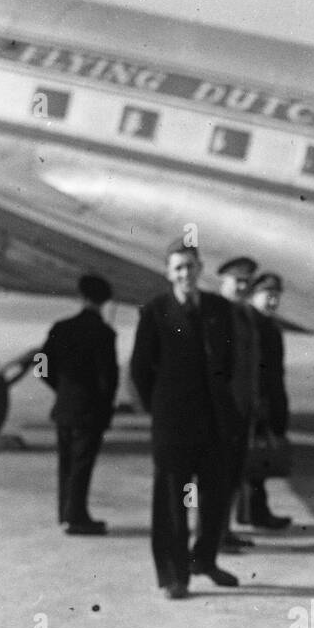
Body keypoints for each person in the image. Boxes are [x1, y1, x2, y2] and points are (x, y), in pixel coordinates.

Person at [129, 241, 242, 599]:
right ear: (168, 272)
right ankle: (173, 576)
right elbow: (139, 368)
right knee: (171, 503)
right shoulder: (156, 311)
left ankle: (204, 560)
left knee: (216, 498)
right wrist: (159, 408)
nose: (185, 274)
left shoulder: (218, 308)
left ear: (200, 268)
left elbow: (230, 360)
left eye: (190, 267)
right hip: (172, 424)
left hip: (213, 421)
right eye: (178, 268)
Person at [38, 273, 118, 535]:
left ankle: (66, 514)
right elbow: (108, 379)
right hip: (91, 412)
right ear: (104, 301)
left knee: (66, 463)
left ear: (82, 297)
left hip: (64, 408)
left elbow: (41, 365)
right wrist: (106, 409)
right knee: (82, 465)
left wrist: (60, 389)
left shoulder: (61, 327)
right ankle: (77, 518)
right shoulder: (105, 334)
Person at [215, 255, 260, 553]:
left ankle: (224, 530)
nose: (242, 286)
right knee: (218, 477)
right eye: (237, 281)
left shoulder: (245, 314)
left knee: (232, 475)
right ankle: (214, 537)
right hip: (222, 411)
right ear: (223, 281)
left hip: (242, 409)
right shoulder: (216, 314)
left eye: (246, 281)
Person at [241, 271, 292, 531]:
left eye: (276, 296)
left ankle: (249, 512)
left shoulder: (268, 325)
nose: (273, 301)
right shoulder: (251, 323)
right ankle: (256, 513)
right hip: (254, 404)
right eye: (268, 295)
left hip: (263, 403)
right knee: (255, 462)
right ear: (253, 294)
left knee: (253, 461)